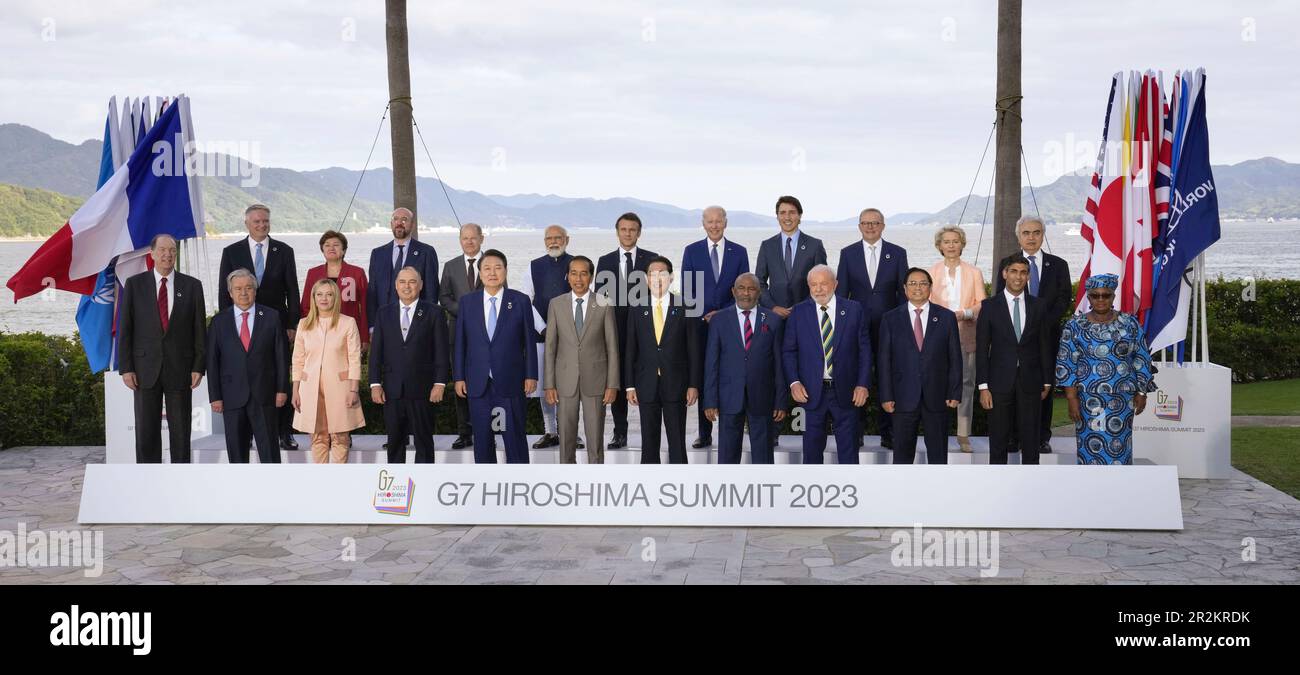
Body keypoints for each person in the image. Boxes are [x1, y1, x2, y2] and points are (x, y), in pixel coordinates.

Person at [217, 203, 300, 450]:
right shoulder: (231, 251)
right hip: (243, 324)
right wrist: (226, 327)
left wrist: (292, 325)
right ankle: (250, 432)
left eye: (265, 221)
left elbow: (292, 291)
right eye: (257, 222)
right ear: (247, 224)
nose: (262, 225)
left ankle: (285, 432)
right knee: (247, 374)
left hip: (276, 326)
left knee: (279, 375)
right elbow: (225, 293)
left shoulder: (284, 250)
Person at [118, 234, 206, 463]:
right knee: (146, 431)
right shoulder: (135, 285)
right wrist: (126, 368)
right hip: (145, 369)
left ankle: (180, 479)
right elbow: (125, 330)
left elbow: (199, 331)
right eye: (163, 250)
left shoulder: (192, 286)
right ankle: (148, 480)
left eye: (172, 251)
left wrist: (199, 366)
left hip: (181, 368)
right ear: (152, 253)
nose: (168, 255)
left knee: (181, 431)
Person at [1056, 274, 1157, 465]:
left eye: (1106, 295)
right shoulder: (1075, 326)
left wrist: (1142, 391)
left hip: (1121, 400)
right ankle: (1090, 491)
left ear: (1113, 296)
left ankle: (1120, 491)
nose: (1100, 299)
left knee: (1119, 447)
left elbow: (1141, 359)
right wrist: (1071, 398)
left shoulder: (1130, 323)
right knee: (1090, 449)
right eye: (1095, 295)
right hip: (1087, 400)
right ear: (1088, 297)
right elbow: (1066, 363)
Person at [995, 215, 1071, 454]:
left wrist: (1039, 324)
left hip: (1046, 337)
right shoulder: (1007, 264)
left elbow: (1063, 299)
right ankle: (1012, 437)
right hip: (1014, 341)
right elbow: (1000, 300)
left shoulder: (1058, 265)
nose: (1031, 237)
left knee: (1044, 387)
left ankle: (1041, 437)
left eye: (1036, 232)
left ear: (1042, 235)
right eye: (1026, 233)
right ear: (1019, 236)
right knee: (1013, 386)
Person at [454, 250, 538, 464]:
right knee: (482, 439)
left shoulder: (520, 301)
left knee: (514, 438)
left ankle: (519, 487)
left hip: (511, 381)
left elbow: (529, 341)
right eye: (487, 268)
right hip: (478, 383)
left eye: (498, 268)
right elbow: (460, 343)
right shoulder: (467, 302)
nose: (492, 273)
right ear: (480, 274)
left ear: (506, 271)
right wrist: (459, 378)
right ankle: (487, 487)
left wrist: (531, 375)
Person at [782, 265, 872, 464]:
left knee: (849, 451)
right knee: (811, 451)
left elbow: (864, 351)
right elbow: (789, 351)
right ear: (808, 286)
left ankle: (851, 491)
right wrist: (794, 383)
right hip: (810, 394)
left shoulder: (854, 309)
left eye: (824, 283)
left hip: (847, 392)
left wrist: (862, 384)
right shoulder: (798, 312)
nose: (818, 289)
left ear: (835, 284)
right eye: (813, 284)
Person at [836, 208, 908, 449]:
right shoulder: (848, 254)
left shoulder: (898, 253)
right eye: (865, 223)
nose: (870, 227)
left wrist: (901, 326)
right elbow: (841, 294)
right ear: (859, 226)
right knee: (856, 379)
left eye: (874, 223)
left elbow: (903, 294)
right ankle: (856, 433)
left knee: (888, 380)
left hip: (890, 329)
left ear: (883, 225)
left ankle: (889, 433)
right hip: (856, 329)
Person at [680, 206, 749, 450]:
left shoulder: (739, 252)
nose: (714, 225)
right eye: (709, 221)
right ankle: (704, 433)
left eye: (718, 221)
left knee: (729, 374)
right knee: (703, 375)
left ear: (725, 222)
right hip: (700, 325)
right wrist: (704, 314)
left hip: (730, 322)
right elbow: (688, 290)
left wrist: (721, 313)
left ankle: (731, 432)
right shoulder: (692, 251)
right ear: (703, 223)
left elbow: (744, 290)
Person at [975, 255, 1054, 465]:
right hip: (998, 383)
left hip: (1031, 381)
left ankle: (1030, 484)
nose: (1018, 277)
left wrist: (1047, 380)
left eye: (1023, 272)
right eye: (1014, 271)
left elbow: (1045, 344)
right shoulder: (989, 306)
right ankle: (997, 483)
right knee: (998, 439)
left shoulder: (1038, 306)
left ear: (1028, 276)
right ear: (1004, 274)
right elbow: (982, 349)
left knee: (1031, 439)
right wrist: (983, 386)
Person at [877, 268, 961, 464]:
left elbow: (955, 358)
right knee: (903, 455)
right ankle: (903, 492)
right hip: (902, 397)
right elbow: (883, 361)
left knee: (938, 454)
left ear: (930, 287)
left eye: (923, 283)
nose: (918, 288)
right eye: (912, 284)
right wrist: (886, 396)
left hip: (938, 396)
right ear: (905, 289)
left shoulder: (946, 318)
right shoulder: (890, 319)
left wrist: (954, 392)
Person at [624, 256, 702, 464]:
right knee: (649, 441)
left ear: (671, 278)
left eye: (663, 274)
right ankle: (650, 484)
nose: (657, 278)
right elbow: (631, 349)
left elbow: (693, 350)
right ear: (646, 279)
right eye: (652, 274)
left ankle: (679, 485)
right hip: (646, 383)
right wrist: (630, 385)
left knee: (677, 440)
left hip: (676, 384)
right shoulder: (637, 307)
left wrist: (694, 384)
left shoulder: (686, 307)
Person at [703, 273, 787, 464]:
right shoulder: (719, 320)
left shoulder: (773, 320)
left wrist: (780, 401)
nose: (746, 293)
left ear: (758, 292)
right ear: (733, 291)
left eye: (751, 289)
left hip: (763, 397)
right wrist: (710, 400)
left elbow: (779, 365)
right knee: (727, 454)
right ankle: (728, 490)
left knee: (763, 454)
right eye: (741, 288)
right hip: (729, 396)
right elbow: (711, 363)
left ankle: (764, 491)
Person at [206, 268, 288, 464]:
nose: (244, 293)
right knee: (236, 453)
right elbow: (212, 361)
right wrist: (215, 396)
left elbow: (281, 357)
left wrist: (282, 390)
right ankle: (239, 492)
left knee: (269, 452)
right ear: (230, 293)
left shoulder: (271, 317)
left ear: (255, 290)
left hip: (264, 394)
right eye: (238, 289)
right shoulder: (218, 322)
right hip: (231, 397)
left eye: (249, 288)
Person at [370, 267, 451, 463]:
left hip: (423, 389)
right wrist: (375, 384)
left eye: (412, 282)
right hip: (392, 389)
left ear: (421, 285)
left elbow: (442, 351)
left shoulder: (435, 312)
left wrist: (440, 384)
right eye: (403, 282)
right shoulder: (384, 313)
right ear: (396, 286)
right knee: (395, 441)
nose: (407, 286)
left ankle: (424, 485)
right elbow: (376, 353)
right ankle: (397, 487)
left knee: (424, 440)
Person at [544, 256, 619, 464]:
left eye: (584, 273)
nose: (579, 278)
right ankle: (567, 479)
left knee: (595, 437)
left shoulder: (604, 303)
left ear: (591, 277)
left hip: (596, 380)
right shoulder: (556, 304)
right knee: (566, 435)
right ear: (567, 277)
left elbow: (612, 347)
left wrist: (612, 384)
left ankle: (595, 480)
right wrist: (549, 384)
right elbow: (550, 347)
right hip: (564, 380)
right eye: (574, 273)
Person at [595, 212, 659, 449]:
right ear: (617, 232)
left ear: (639, 233)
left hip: (647, 330)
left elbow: (658, 295)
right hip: (616, 331)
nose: (628, 233)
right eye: (623, 229)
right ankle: (619, 433)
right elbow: (601, 300)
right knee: (619, 382)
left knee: (648, 382)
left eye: (632, 229)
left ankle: (649, 435)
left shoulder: (652, 259)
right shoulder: (605, 261)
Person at [291, 278, 365, 464]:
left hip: (341, 388)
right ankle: (322, 483)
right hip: (310, 389)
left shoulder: (348, 323)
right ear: (313, 298)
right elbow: (298, 359)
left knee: (340, 437)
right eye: (319, 294)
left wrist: (353, 390)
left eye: (329, 294)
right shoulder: (303, 324)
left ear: (336, 298)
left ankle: (338, 483)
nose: (324, 299)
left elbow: (355, 358)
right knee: (317, 437)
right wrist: (295, 391)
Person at [928, 225, 987, 452]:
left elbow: (982, 302)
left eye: (955, 241)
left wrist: (965, 314)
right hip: (937, 336)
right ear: (939, 246)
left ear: (962, 244)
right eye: (947, 241)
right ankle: (938, 431)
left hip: (966, 331)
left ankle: (963, 434)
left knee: (966, 384)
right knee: (936, 384)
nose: (951, 245)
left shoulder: (974, 272)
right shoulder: (931, 272)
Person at [521, 225, 574, 450]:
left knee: (570, 386)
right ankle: (550, 431)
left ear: (566, 240)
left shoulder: (577, 265)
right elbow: (526, 301)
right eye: (549, 238)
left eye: (558, 238)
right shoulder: (533, 267)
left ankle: (570, 432)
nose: (553, 242)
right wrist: (544, 329)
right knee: (546, 386)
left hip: (572, 338)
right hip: (541, 336)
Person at [438, 223, 485, 450]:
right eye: (464, 238)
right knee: (461, 384)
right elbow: (444, 298)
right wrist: (466, 311)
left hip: (487, 334)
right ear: (460, 240)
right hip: (457, 333)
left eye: (473, 238)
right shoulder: (450, 266)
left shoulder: (492, 263)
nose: (469, 242)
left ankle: (486, 431)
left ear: (481, 239)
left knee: (487, 383)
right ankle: (464, 433)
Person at [755, 195, 827, 318]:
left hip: (806, 314)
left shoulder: (815, 245)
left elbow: (822, 283)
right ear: (777, 217)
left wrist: (801, 307)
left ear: (799, 216)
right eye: (782, 213)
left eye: (792, 212)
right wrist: (773, 307)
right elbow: (759, 283)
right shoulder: (767, 246)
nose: (787, 217)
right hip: (774, 316)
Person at [368, 207, 439, 331]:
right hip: (384, 322)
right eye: (396, 219)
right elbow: (372, 292)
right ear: (391, 224)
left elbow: (431, 291)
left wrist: (427, 322)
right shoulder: (377, 254)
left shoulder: (426, 252)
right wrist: (373, 326)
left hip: (416, 322)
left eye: (404, 219)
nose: (399, 223)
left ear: (412, 225)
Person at [301, 230, 369, 348]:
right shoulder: (313, 273)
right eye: (327, 245)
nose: (331, 248)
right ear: (322, 250)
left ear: (344, 250)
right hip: (319, 333)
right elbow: (306, 305)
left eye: (336, 245)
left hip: (349, 331)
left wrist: (364, 336)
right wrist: (307, 331)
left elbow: (365, 307)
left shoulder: (357, 273)